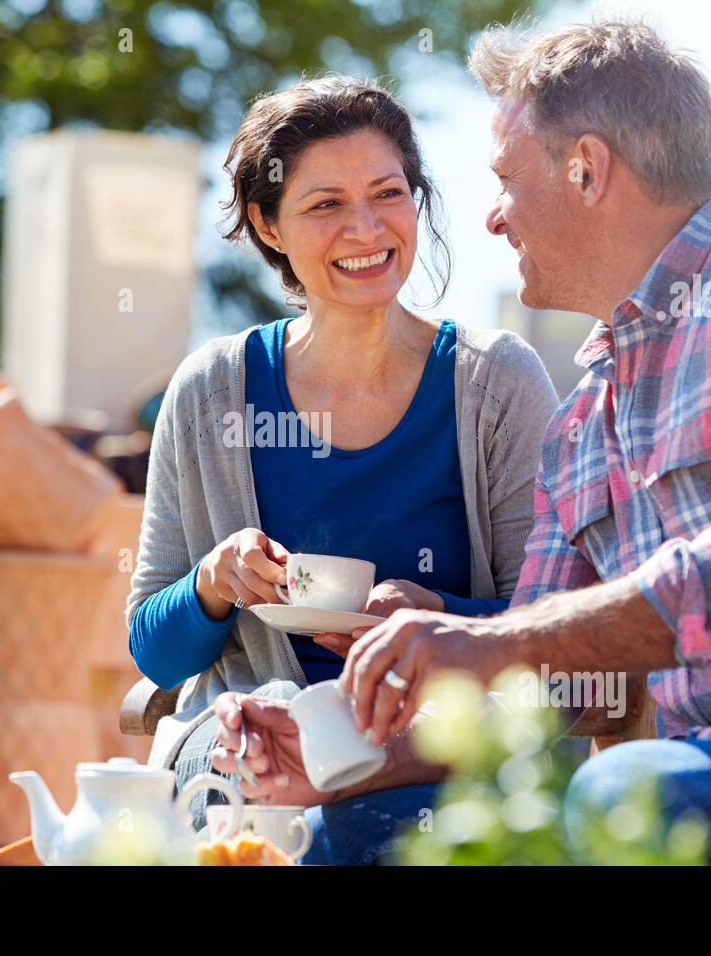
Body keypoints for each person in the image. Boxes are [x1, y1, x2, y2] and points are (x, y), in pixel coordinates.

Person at [212, 19, 711, 865]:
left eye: (506, 180)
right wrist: (346, 766)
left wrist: (496, 639)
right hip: (690, 788)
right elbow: (541, 691)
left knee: (626, 792)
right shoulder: (585, 418)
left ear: (586, 169)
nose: (490, 217)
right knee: (348, 834)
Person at [125, 75, 560, 826]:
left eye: (388, 194)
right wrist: (213, 583)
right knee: (262, 792)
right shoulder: (211, 391)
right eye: (326, 205)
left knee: (366, 820)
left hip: (434, 741)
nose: (366, 229)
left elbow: (555, 623)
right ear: (268, 225)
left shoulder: (497, 383)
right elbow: (155, 657)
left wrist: (440, 615)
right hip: (245, 731)